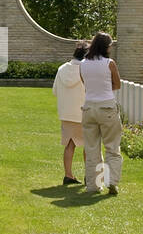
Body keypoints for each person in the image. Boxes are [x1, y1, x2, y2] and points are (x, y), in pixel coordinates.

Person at [78, 31, 123, 195]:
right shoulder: (109, 63)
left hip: (89, 108)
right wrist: (104, 88)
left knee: (92, 149)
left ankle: (94, 185)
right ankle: (111, 182)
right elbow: (117, 84)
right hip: (107, 107)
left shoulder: (83, 63)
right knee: (112, 147)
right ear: (107, 47)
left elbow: (85, 84)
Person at [52, 43, 88, 184]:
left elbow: (55, 91)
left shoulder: (61, 69)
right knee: (89, 145)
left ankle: (68, 175)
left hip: (66, 113)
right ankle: (89, 176)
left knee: (69, 144)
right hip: (84, 112)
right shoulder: (86, 70)